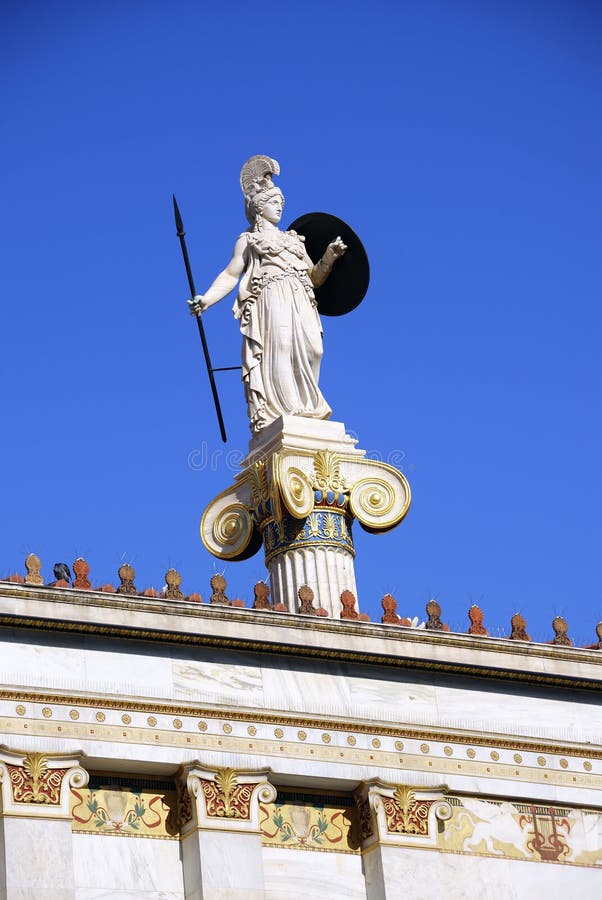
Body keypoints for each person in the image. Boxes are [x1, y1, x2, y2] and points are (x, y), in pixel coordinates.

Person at [188, 155, 346, 433]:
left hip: (300, 295)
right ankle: (288, 412)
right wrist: (207, 299)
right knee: (280, 348)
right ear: (259, 208)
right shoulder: (249, 240)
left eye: (281, 203)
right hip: (271, 295)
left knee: (314, 350)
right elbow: (230, 274)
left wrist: (329, 258)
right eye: (274, 203)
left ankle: (308, 408)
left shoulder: (294, 240)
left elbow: (315, 278)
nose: (280, 208)